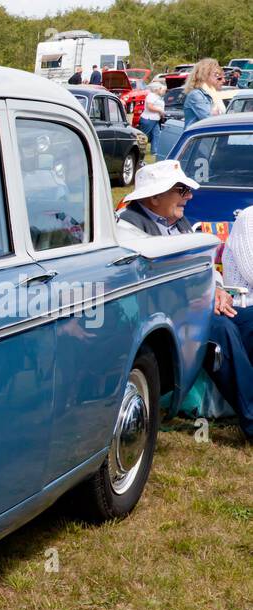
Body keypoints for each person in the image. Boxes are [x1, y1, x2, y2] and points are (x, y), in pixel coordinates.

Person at [117, 161, 253, 438]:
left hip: (195, 306)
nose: (189, 196)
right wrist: (201, 296)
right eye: (181, 190)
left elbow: (203, 266)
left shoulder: (178, 222)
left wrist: (215, 288)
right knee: (221, 330)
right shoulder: (128, 229)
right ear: (155, 196)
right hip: (163, 318)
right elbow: (141, 286)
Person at [183, 58, 226, 127]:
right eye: (216, 75)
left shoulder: (212, 93)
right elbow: (209, 120)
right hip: (199, 136)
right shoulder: (196, 94)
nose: (223, 80)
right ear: (205, 75)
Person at [141, 79, 166, 153]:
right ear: (156, 89)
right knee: (144, 136)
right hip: (148, 119)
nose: (162, 90)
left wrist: (161, 113)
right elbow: (150, 107)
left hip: (155, 119)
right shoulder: (151, 96)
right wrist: (160, 111)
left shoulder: (157, 96)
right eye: (160, 88)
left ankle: (154, 151)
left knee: (156, 134)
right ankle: (140, 150)